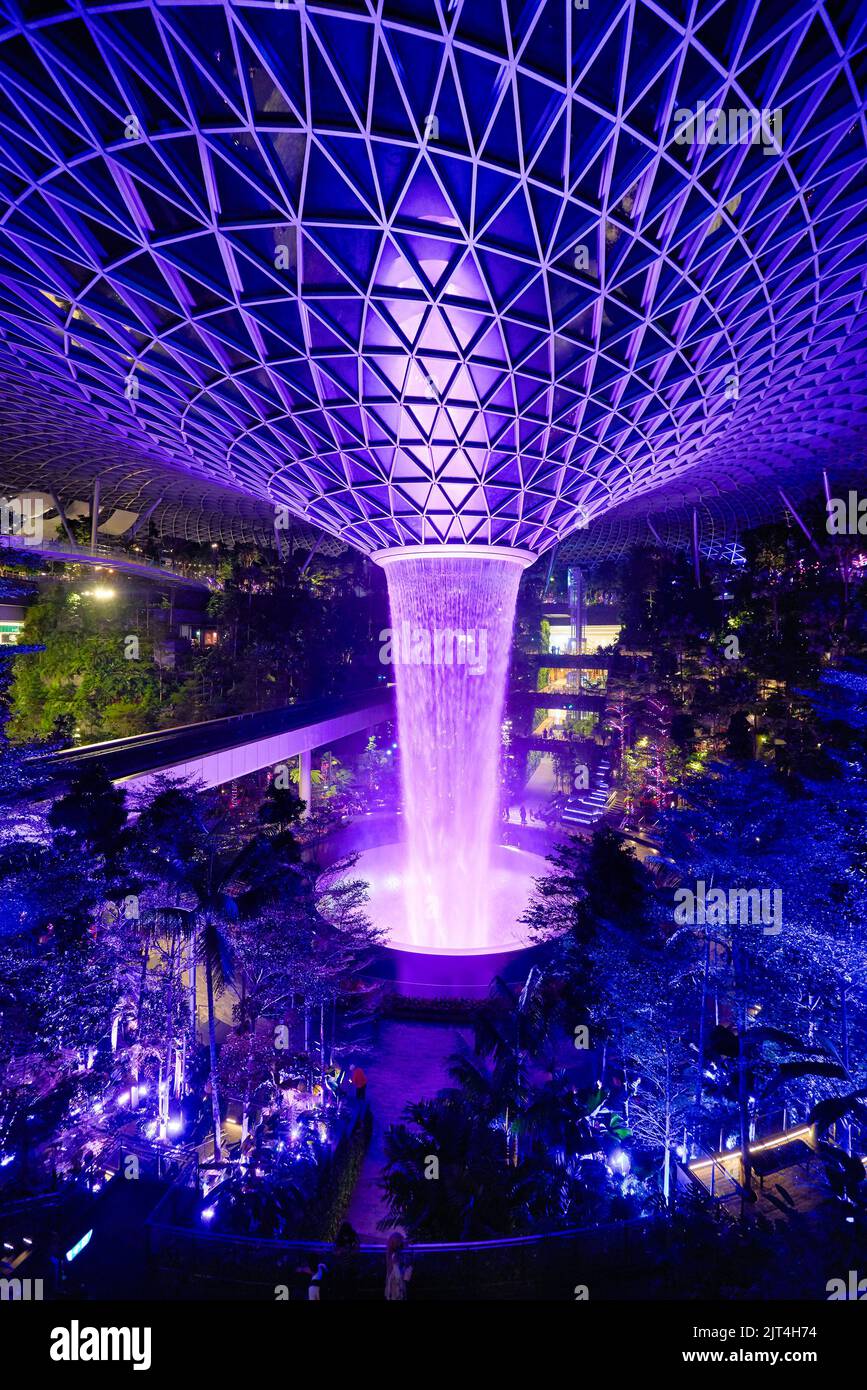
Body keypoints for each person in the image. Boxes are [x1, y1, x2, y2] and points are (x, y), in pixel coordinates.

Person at [384, 1232, 412, 1301]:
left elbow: (404, 1277)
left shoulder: (394, 1256)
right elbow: (400, 1277)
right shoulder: (393, 1257)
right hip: (396, 1286)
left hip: (397, 1286)